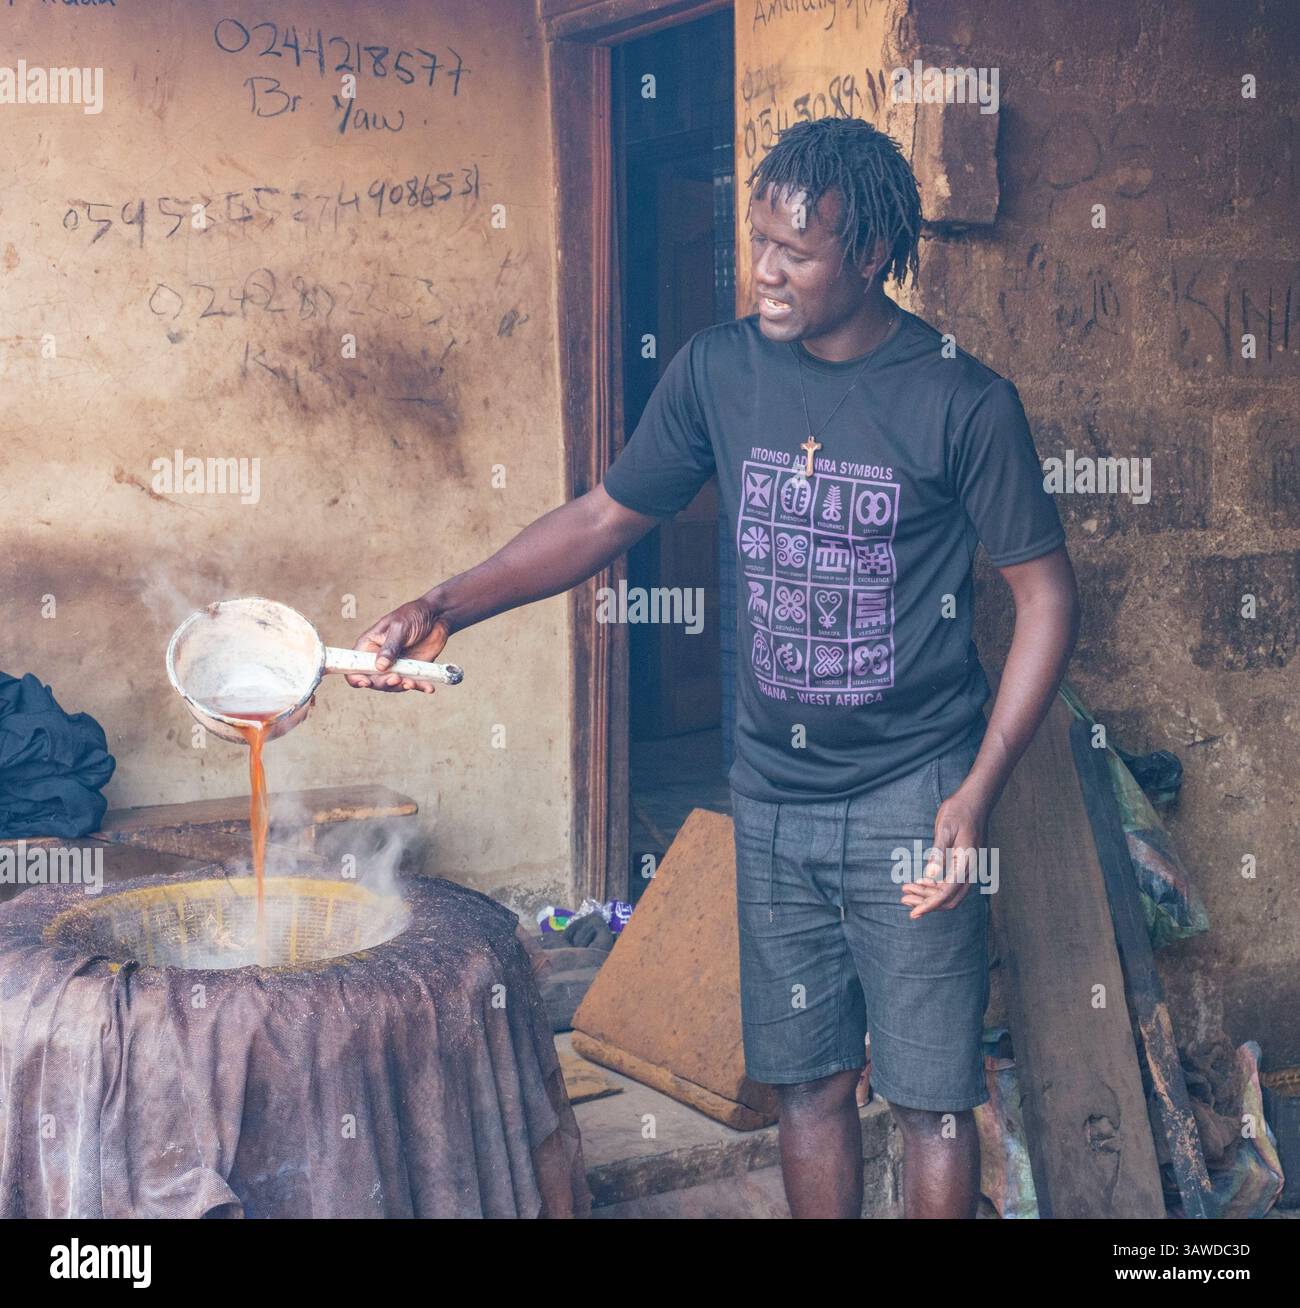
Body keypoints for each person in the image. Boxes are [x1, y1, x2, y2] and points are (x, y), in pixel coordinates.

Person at [347, 116, 1079, 1219]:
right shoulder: (719, 370)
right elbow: (604, 516)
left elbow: (1044, 597)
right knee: (805, 1086)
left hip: (912, 798)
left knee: (930, 1100)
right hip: (773, 797)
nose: (765, 271)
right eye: (756, 241)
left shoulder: (960, 399)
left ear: (870, 256)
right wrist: (445, 602)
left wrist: (975, 791)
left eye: (796, 251)